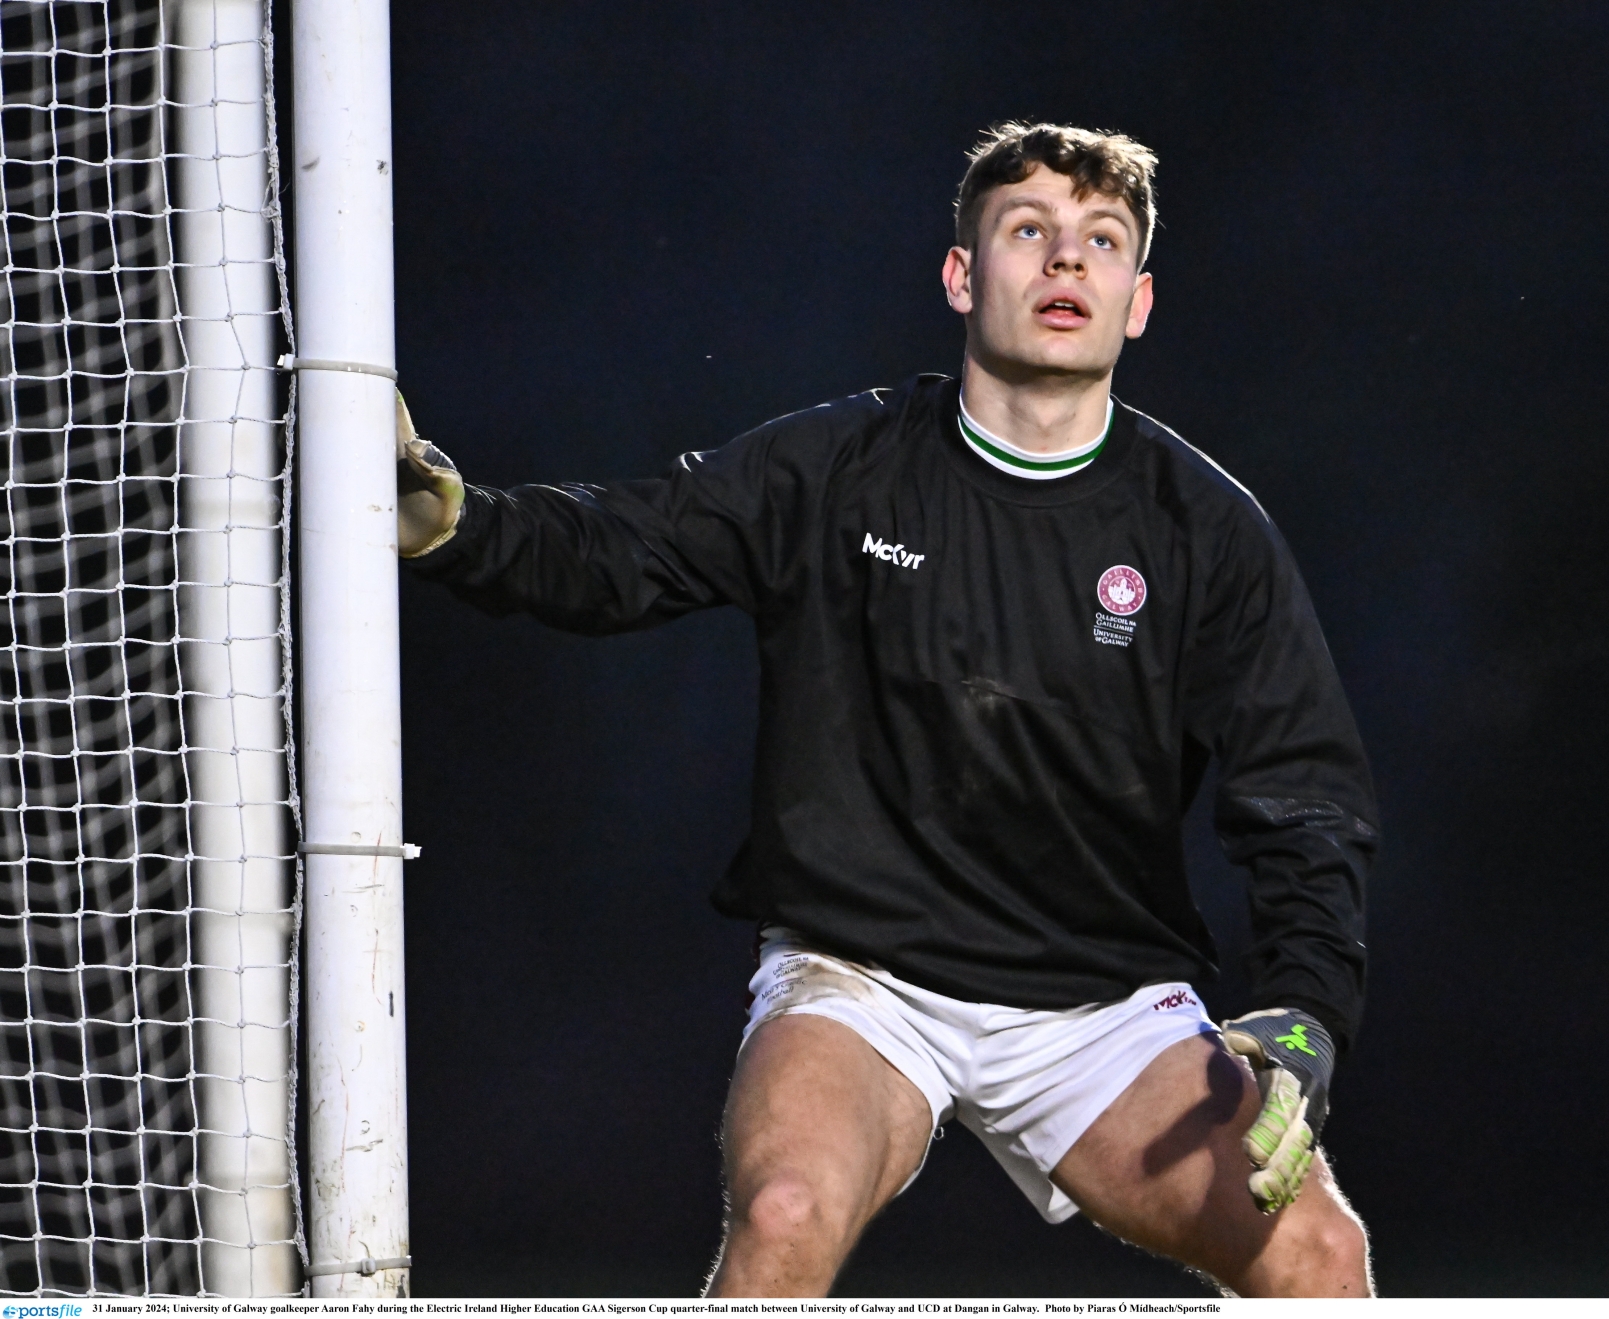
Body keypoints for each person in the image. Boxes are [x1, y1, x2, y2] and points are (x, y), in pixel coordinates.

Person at [398, 122, 1379, 1298]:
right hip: (864, 979)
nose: (1067, 260)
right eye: (1029, 230)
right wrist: (457, 525)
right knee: (784, 1209)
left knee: (1319, 1251)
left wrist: (1305, 1004)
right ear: (962, 276)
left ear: (1140, 300)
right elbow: (625, 545)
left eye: (1103, 241)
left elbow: (1304, 790)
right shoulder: (840, 467)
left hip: (1101, 1005)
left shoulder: (1205, 529)